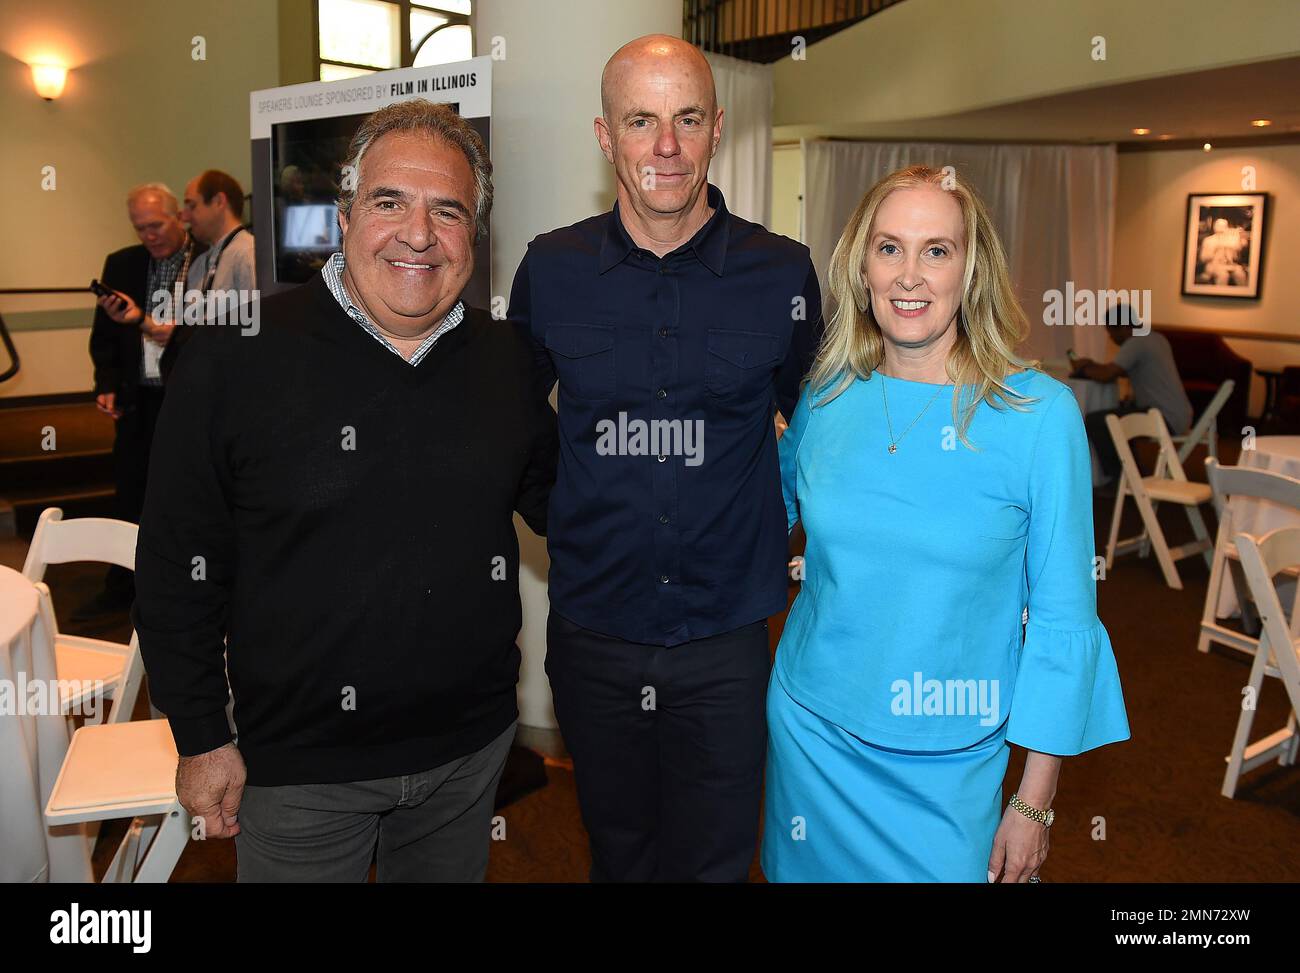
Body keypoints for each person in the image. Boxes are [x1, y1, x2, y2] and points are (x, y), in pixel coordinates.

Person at [133, 100, 557, 882]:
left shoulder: (507, 361)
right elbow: (175, 567)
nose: (418, 234)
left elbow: (566, 508)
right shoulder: (233, 358)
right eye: (389, 202)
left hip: (467, 757)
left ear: (476, 232)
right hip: (297, 770)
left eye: (448, 210)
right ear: (344, 214)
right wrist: (199, 735)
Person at [509, 34, 821, 882]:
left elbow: (826, 429)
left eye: (686, 118)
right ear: (606, 137)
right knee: (618, 854)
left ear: (718, 127)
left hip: (725, 635)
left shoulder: (781, 271)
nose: (667, 146)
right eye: (641, 121)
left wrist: (780, 524)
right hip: (592, 629)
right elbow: (508, 422)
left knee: (717, 860)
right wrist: (562, 510)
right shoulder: (551, 267)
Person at [762, 164, 1130, 882]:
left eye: (937, 250)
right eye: (889, 247)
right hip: (811, 734)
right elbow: (762, 522)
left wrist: (1034, 800)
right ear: (861, 268)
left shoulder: (1037, 416)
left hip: (951, 764)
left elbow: (1063, 619)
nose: (910, 275)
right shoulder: (828, 395)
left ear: (972, 269)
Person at [81, 183, 201, 619]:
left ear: (178, 218)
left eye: (156, 225)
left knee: (188, 497)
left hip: (187, 401)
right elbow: (105, 336)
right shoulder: (123, 263)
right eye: (140, 228)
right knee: (130, 492)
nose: (149, 235)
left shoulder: (206, 259)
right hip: (139, 399)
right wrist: (106, 381)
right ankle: (121, 586)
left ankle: (184, 590)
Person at [1072, 303, 1193, 485]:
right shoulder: (1155, 337)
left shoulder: (1135, 343)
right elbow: (1118, 370)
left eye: (1112, 332)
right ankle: (1134, 473)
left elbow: (1106, 375)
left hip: (1163, 416)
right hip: (1179, 413)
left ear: (1124, 327)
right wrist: (1091, 365)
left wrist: (1083, 368)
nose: (1111, 338)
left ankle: (1121, 478)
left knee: (1097, 421)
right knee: (1119, 419)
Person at [175, 169, 257, 348]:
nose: (185, 216)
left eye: (192, 206)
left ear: (219, 201)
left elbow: (254, 329)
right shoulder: (199, 264)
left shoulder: (247, 254)